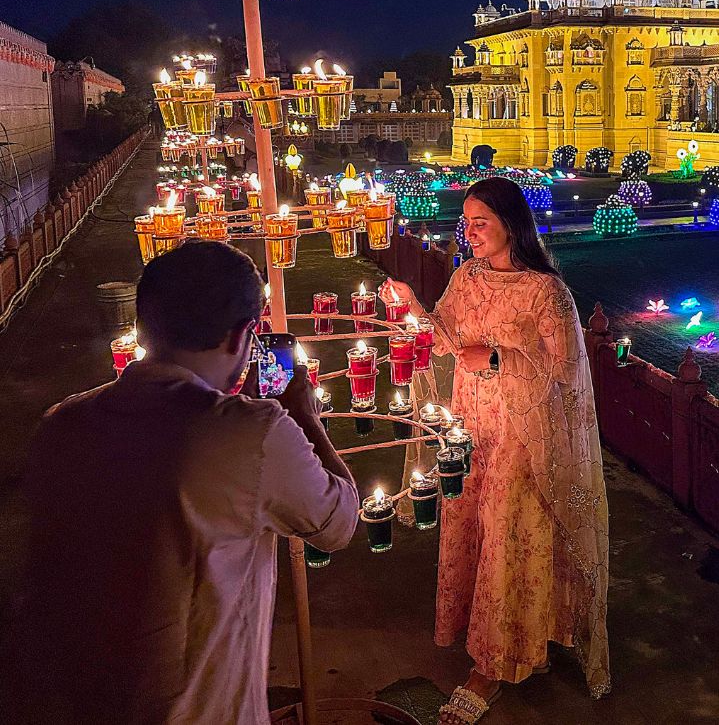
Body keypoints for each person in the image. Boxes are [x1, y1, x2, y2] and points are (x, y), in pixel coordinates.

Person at [9, 240, 359, 725]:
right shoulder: (252, 432)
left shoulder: (61, 423)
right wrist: (304, 420)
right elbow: (337, 523)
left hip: (67, 700)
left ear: (143, 326)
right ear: (244, 336)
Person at [382, 177, 610, 724]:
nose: (470, 231)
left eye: (480, 221)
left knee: (507, 535)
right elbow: (443, 336)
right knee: (473, 527)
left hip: (522, 438)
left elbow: (566, 374)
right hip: (470, 431)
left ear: (512, 225)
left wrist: (501, 360)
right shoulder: (467, 276)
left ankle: (491, 665)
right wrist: (413, 306)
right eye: (466, 221)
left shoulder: (545, 293)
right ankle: (506, 636)